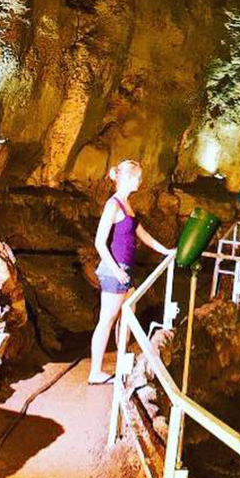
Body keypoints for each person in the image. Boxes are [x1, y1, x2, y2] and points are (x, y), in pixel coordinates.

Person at [89, 160, 172, 384]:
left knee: (127, 317)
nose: (140, 181)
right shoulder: (113, 205)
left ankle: (120, 364)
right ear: (127, 178)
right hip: (114, 271)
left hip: (125, 271)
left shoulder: (127, 205)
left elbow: (141, 233)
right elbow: (99, 243)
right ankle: (95, 372)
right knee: (106, 320)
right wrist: (116, 272)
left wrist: (166, 251)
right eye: (138, 177)